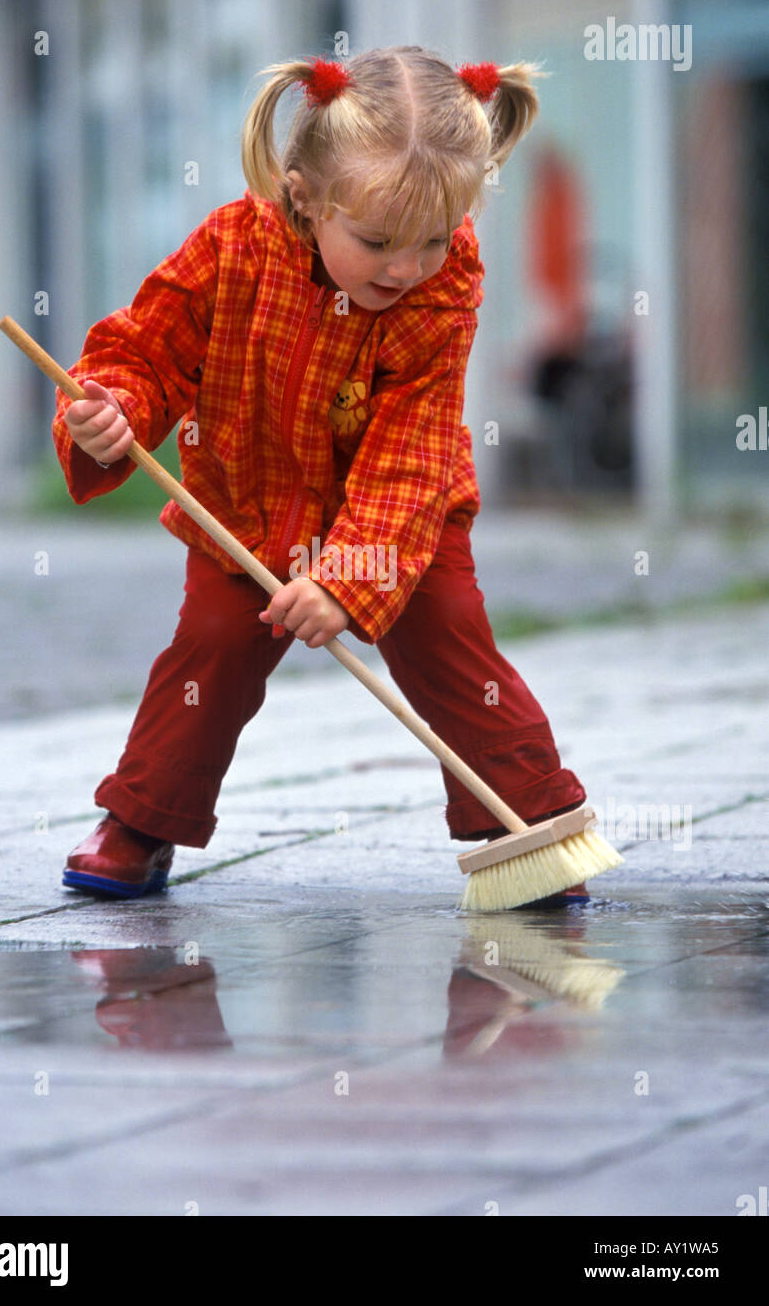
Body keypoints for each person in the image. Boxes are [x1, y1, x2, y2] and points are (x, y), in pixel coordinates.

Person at [54, 45, 589, 907]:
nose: (403, 267)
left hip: (399, 519)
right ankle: (142, 821)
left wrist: (348, 573)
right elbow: (144, 352)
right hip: (248, 504)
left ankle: (520, 817)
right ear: (304, 196)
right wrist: (110, 408)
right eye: (377, 242)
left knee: (449, 632)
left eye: (429, 239)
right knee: (213, 650)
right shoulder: (231, 249)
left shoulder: (443, 284)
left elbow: (412, 448)